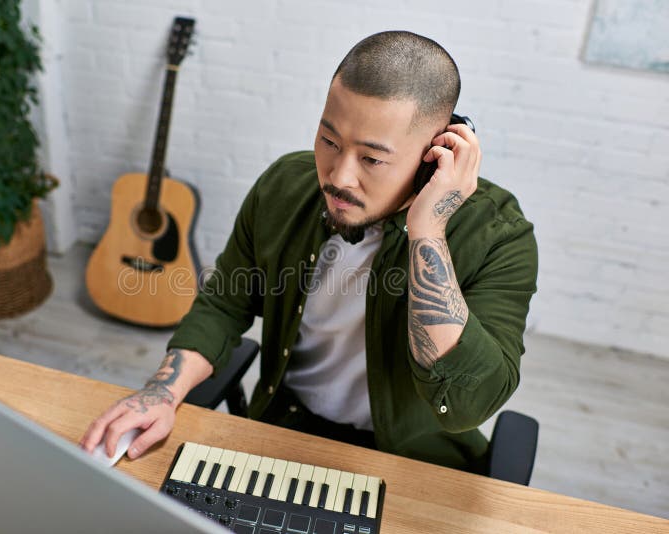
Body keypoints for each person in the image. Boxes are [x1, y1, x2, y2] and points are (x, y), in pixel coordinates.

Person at [80, 30, 538, 473]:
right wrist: (161, 392)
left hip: (411, 464)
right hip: (285, 431)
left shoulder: (500, 235)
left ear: (434, 155)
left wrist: (428, 231)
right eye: (329, 141)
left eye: (372, 159)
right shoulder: (284, 186)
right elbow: (224, 304)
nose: (339, 176)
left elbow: (468, 402)